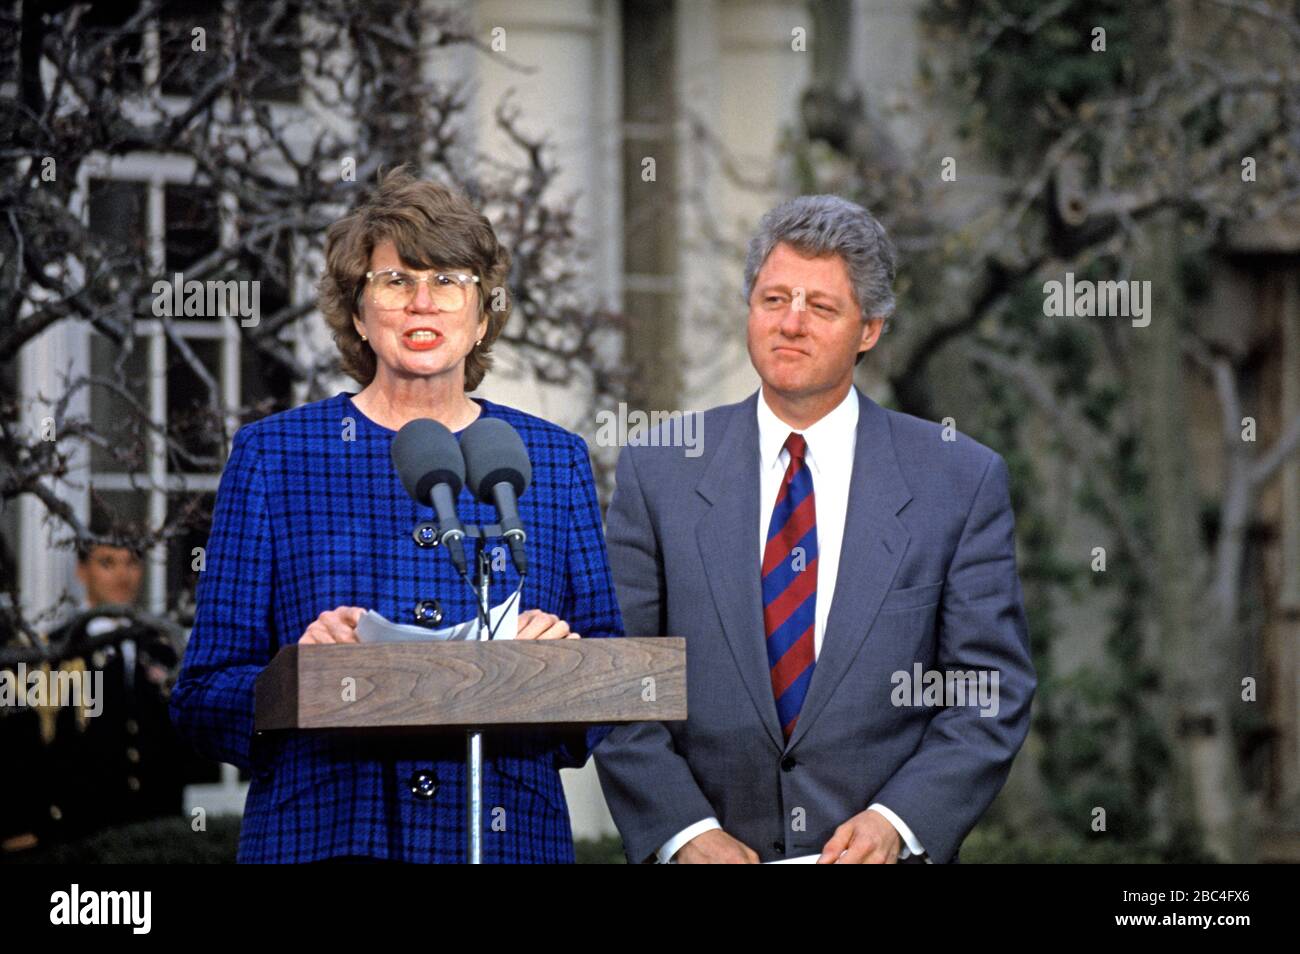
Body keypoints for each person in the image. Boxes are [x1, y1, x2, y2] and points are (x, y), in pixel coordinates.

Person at [169, 167, 623, 863]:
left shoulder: (552, 460)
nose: (422, 303)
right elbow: (202, 698)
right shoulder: (274, 456)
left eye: (448, 281)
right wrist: (295, 676)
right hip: (326, 840)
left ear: (482, 315)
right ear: (357, 313)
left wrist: (558, 662)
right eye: (395, 280)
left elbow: (607, 688)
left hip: (504, 842)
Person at [593, 195, 1036, 863]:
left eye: (820, 307)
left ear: (870, 330)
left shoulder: (958, 481)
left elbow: (987, 690)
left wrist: (897, 821)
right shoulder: (659, 470)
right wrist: (685, 832)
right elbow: (618, 679)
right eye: (774, 300)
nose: (791, 324)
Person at [2, 529, 188, 855]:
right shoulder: (48, 654)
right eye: (107, 562)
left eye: (131, 563)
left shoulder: (164, 651)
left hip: (157, 834)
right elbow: (18, 749)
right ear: (82, 569)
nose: (122, 575)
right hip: (78, 836)